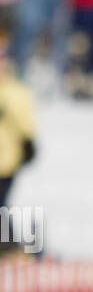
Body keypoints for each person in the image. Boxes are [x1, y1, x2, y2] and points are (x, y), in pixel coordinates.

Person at [0, 30, 37, 246]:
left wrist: (29, 142)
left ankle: (7, 244)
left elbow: (25, 121)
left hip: (7, 161)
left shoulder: (16, 91)